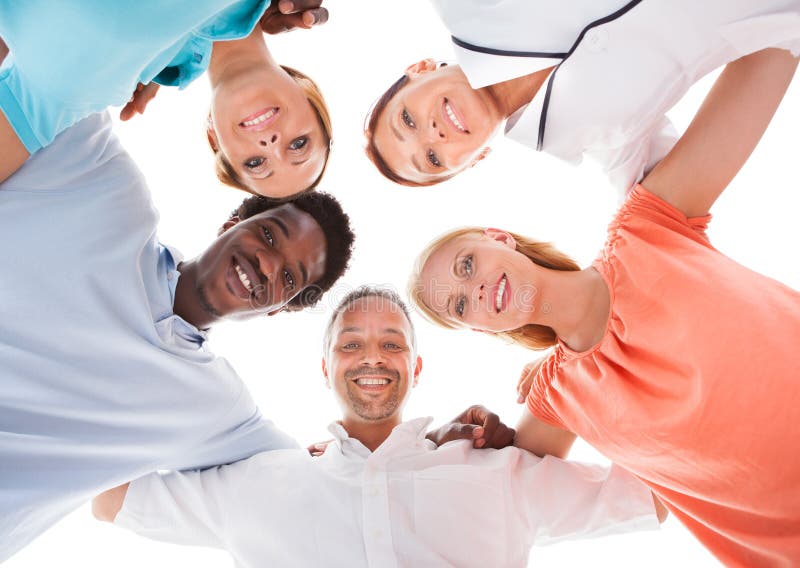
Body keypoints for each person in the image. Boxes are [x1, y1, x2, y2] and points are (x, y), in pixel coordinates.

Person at [408, 48, 800, 565]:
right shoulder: (559, 399)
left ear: (499, 238)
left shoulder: (646, 229)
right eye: (460, 305)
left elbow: (770, 54)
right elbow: (499, 506)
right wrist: (447, 445)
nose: (475, 290)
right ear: (480, 328)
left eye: (465, 266)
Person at [93, 286, 664, 568]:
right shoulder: (258, 482)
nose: (373, 358)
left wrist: (586, 380)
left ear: (415, 367)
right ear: (326, 367)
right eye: (351, 345)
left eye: (392, 344)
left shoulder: (496, 471)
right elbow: (108, 496)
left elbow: (658, 495)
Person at [0, 110, 355, 561]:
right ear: (232, 222)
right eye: (268, 234)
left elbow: (318, 485)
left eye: (289, 277)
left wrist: (450, 445)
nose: (267, 265)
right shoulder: (104, 191)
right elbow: (46, 82)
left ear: (278, 309)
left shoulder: (214, 406)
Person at [365, 0, 800, 193]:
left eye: (407, 121)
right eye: (434, 159)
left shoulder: (469, 7)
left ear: (419, 69)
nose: (433, 134)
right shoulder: (603, 144)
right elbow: (658, 221)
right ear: (473, 161)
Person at [0, 0, 332, 198]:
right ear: (305, 90)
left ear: (215, 138)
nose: (272, 144)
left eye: (256, 164)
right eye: (299, 144)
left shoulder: (102, 86)